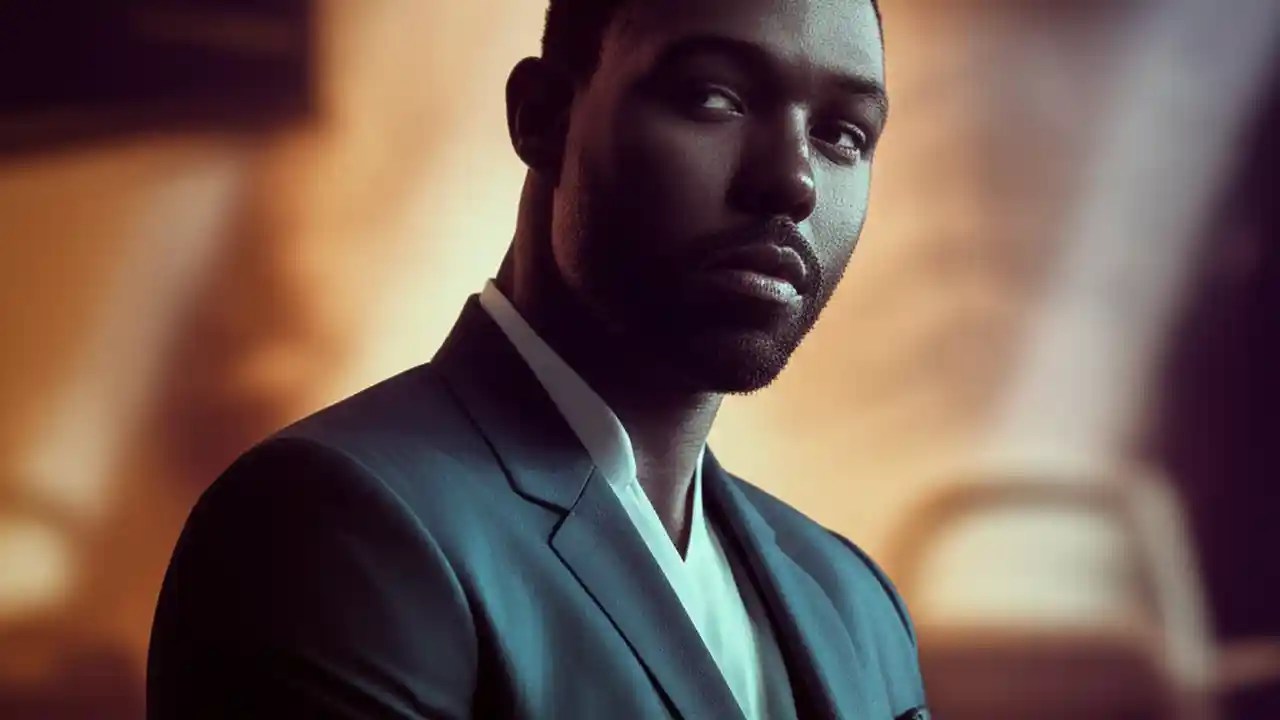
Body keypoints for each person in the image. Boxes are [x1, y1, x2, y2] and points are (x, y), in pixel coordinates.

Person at [146, 0, 928, 717]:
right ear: (544, 115)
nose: (792, 180)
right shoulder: (326, 525)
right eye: (713, 97)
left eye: (842, 134)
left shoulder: (853, 600)